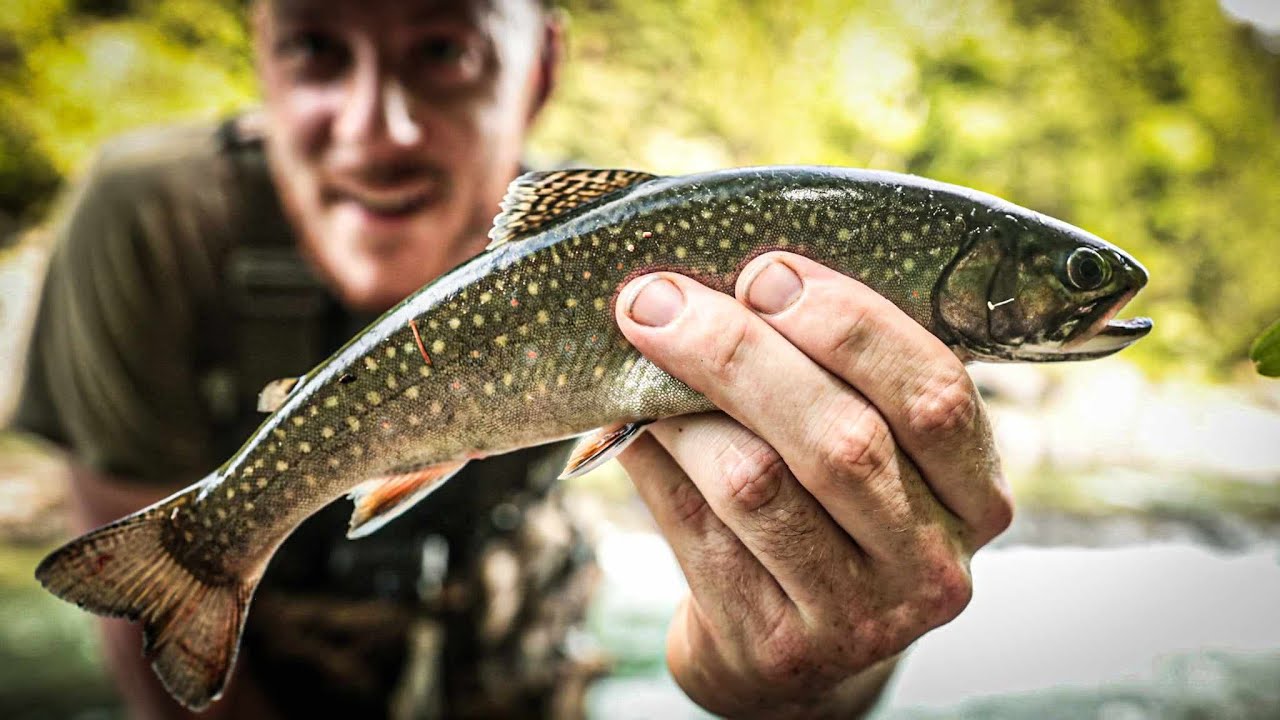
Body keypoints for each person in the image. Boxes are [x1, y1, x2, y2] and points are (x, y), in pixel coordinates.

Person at [12, 0, 1014, 717]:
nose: (379, 127)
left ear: (537, 69)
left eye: (442, 47)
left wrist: (810, 678)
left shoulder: (653, 251)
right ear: (259, 53)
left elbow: (791, 653)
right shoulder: (147, 214)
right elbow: (153, 651)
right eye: (317, 45)